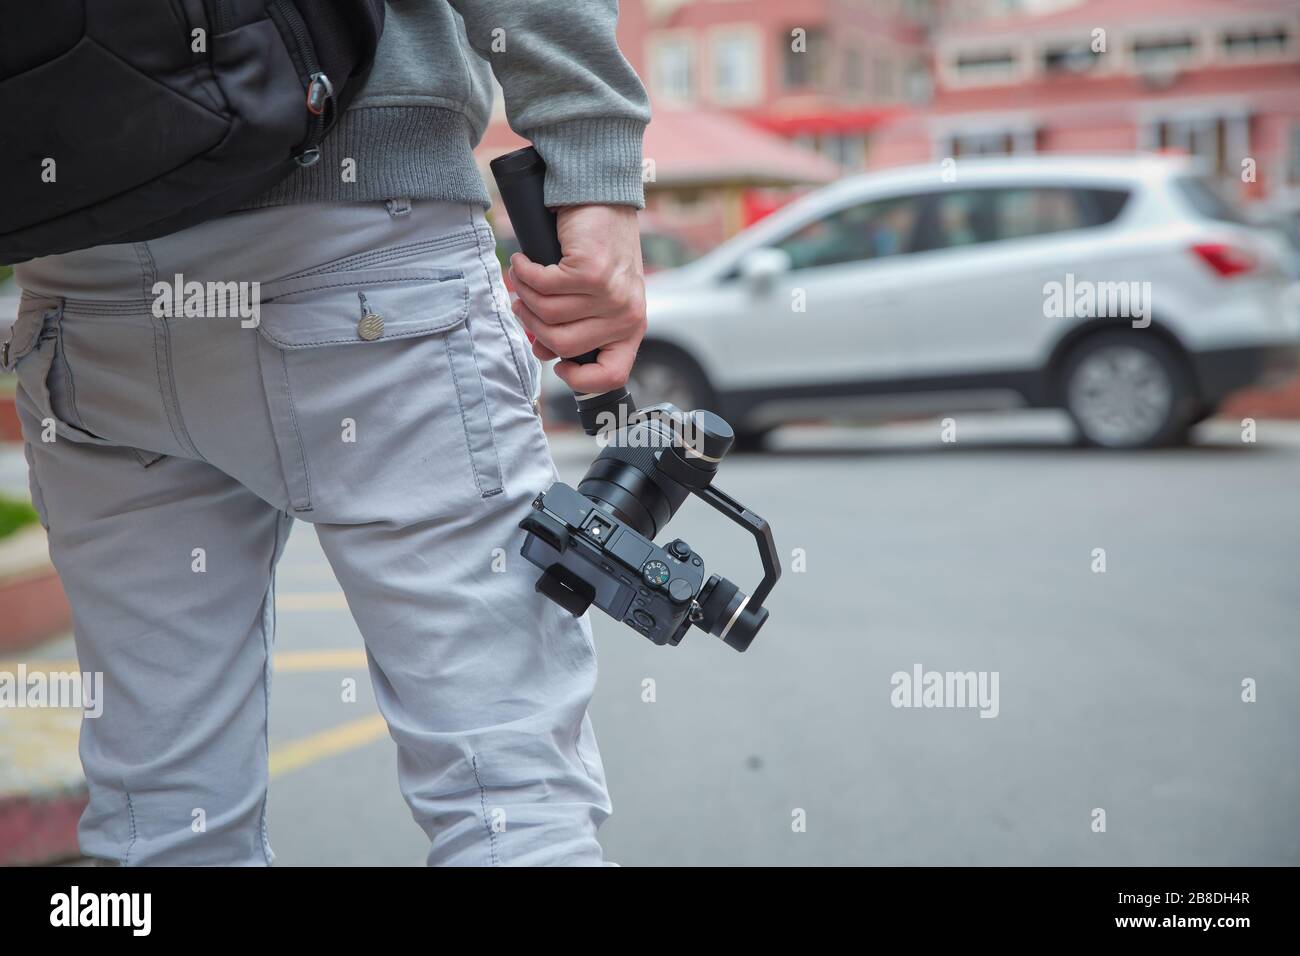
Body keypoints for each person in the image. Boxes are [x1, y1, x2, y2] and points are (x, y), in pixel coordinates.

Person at [1, 1, 649, 866]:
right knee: (508, 797)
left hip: (82, 272)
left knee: (163, 818)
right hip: (363, 238)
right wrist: (596, 163)